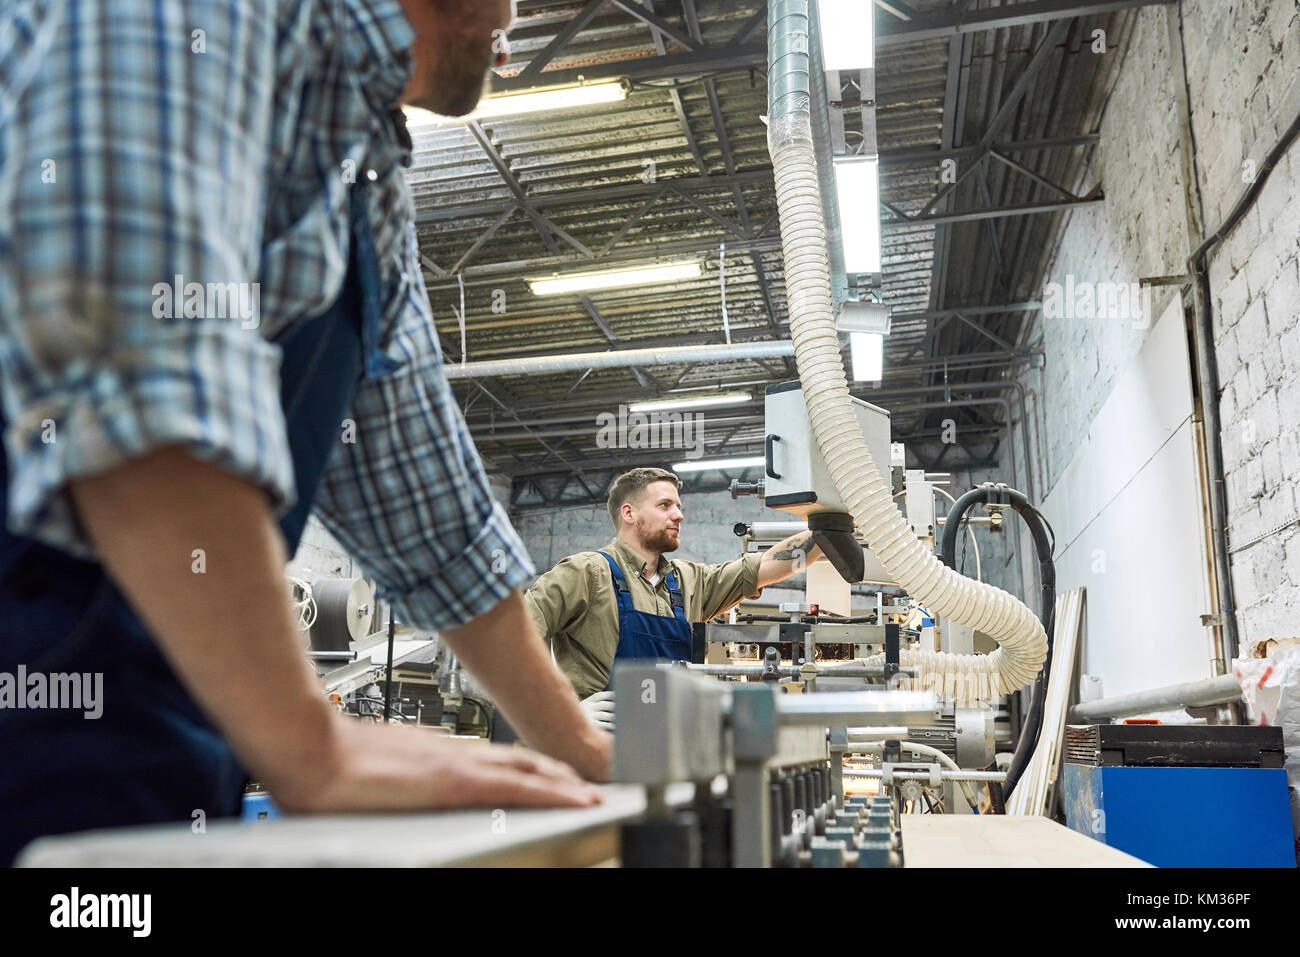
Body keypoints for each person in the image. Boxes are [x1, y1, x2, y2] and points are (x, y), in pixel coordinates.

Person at [0, 0, 609, 865]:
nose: (513, 13)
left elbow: (431, 504)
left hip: (163, 720)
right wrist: (308, 739)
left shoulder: (360, 147)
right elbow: (133, 348)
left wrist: (582, 751)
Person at [525, 468, 823, 722]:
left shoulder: (690, 580)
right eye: (665, 506)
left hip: (673, 746)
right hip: (600, 751)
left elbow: (768, 565)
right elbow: (516, 637)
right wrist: (562, 712)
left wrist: (830, 529)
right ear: (629, 513)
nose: (678, 515)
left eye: (678, 507)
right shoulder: (586, 573)